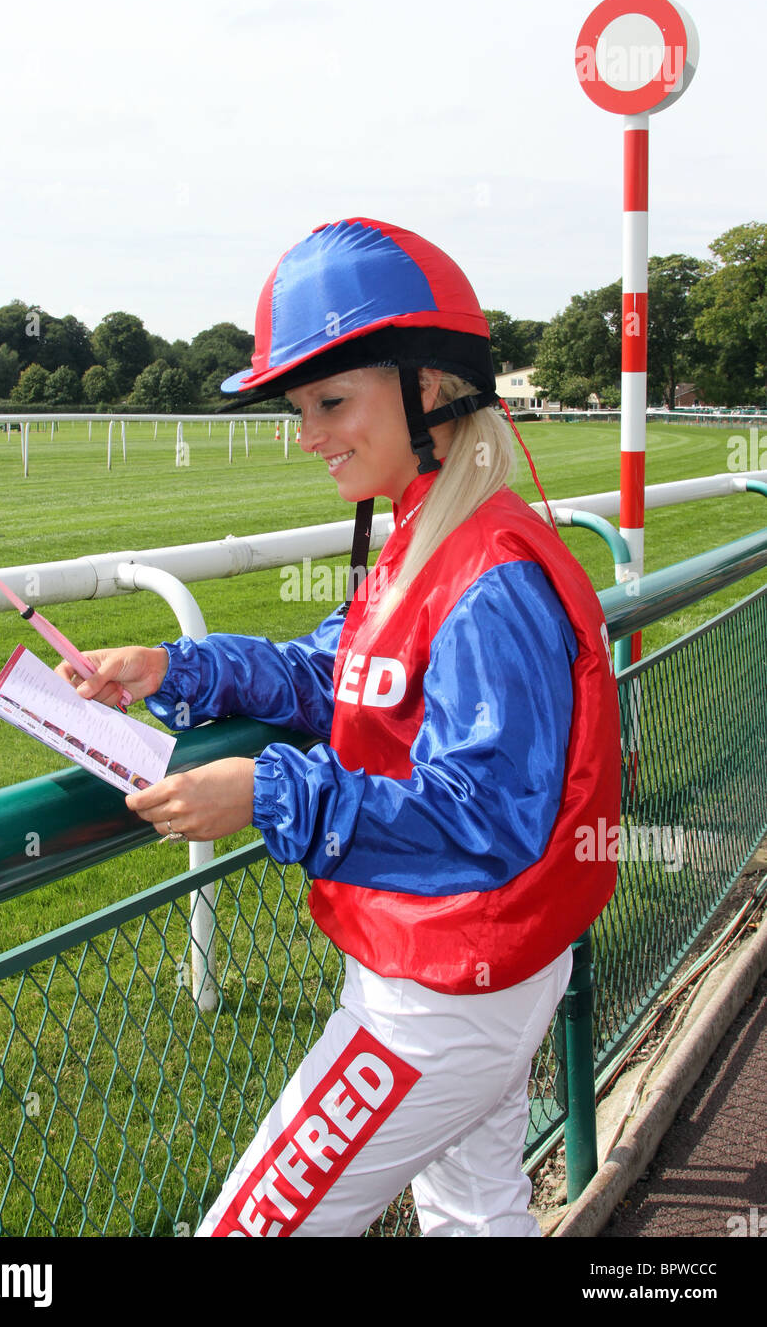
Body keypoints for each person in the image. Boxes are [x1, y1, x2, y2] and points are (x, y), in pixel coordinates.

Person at [56, 217, 620, 1237]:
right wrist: (169, 666)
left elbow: (485, 814)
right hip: (475, 967)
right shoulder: (427, 535)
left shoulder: (486, 571)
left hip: (442, 988)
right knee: (474, 1213)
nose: (307, 434)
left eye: (328, 402)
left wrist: (263, 792)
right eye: (297, 406)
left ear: (429, 388)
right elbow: (330, 672)